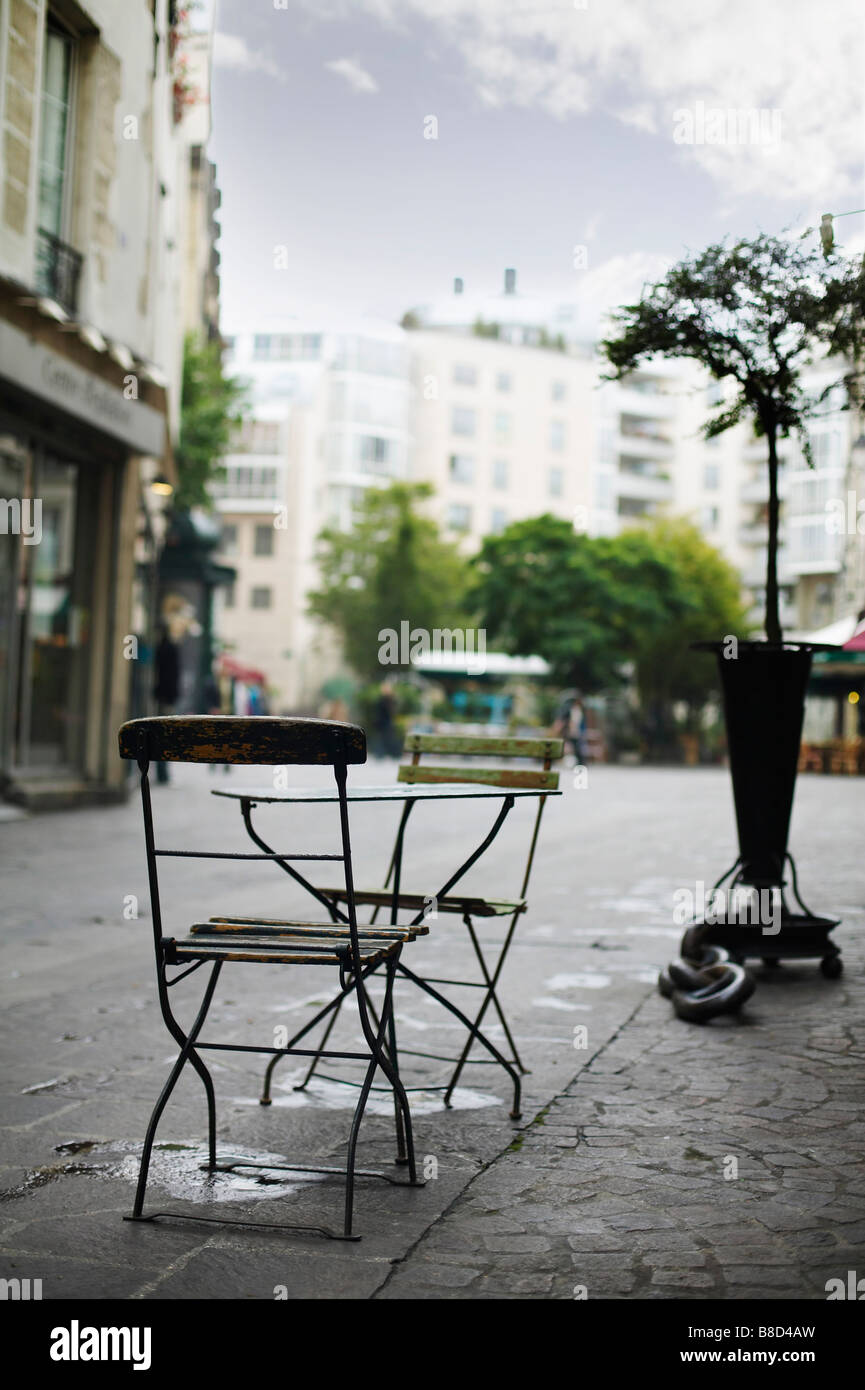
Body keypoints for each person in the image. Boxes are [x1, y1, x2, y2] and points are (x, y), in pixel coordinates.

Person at [153, 625, 180, 783]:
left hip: (163, 697)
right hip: (168, 697)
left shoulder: (162, 649)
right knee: (164, 735)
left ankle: (162, 773)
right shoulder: (171, 649)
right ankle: (163, 773)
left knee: (160, 735)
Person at [373, 681, 400, 759]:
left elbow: (392, 711)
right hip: (381, 722)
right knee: (382, 738)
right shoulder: (381, 699)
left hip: (387, 722)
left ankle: (393, 753)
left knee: (388, 738)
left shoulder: (390, 700)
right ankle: (380, 754)